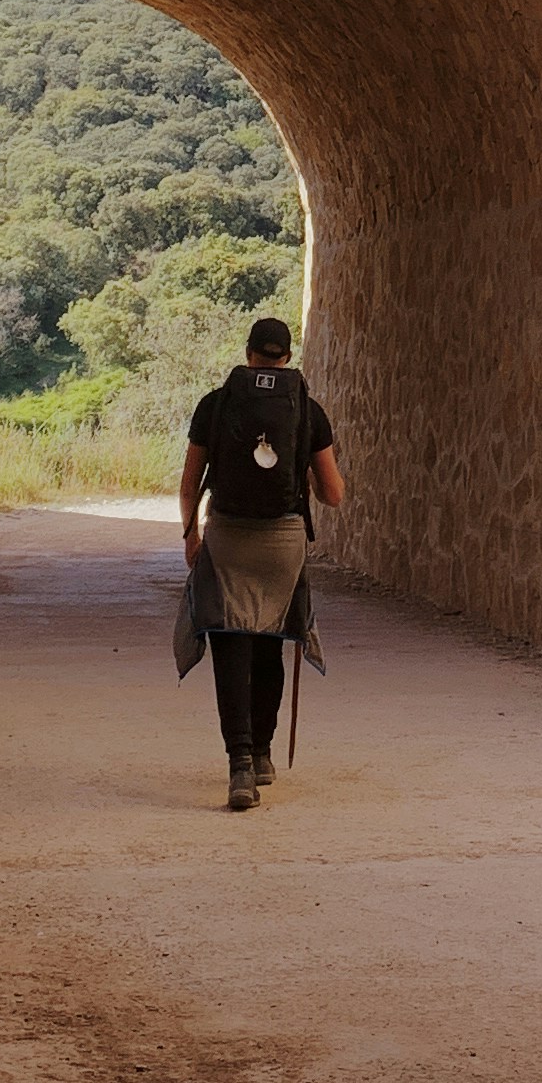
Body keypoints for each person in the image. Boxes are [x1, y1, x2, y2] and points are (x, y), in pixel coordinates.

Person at [179, 315, 344, 812]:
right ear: (286, 358)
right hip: (283, 544)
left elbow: (189, 483)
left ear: (248, 353)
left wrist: (191, 535)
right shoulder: (308, 410)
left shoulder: (215, 404)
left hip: (228, 537)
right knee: (271, 641)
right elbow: (333, 494)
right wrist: (301, 470)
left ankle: (240, 767)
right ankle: (265, 753)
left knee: (230, 641)